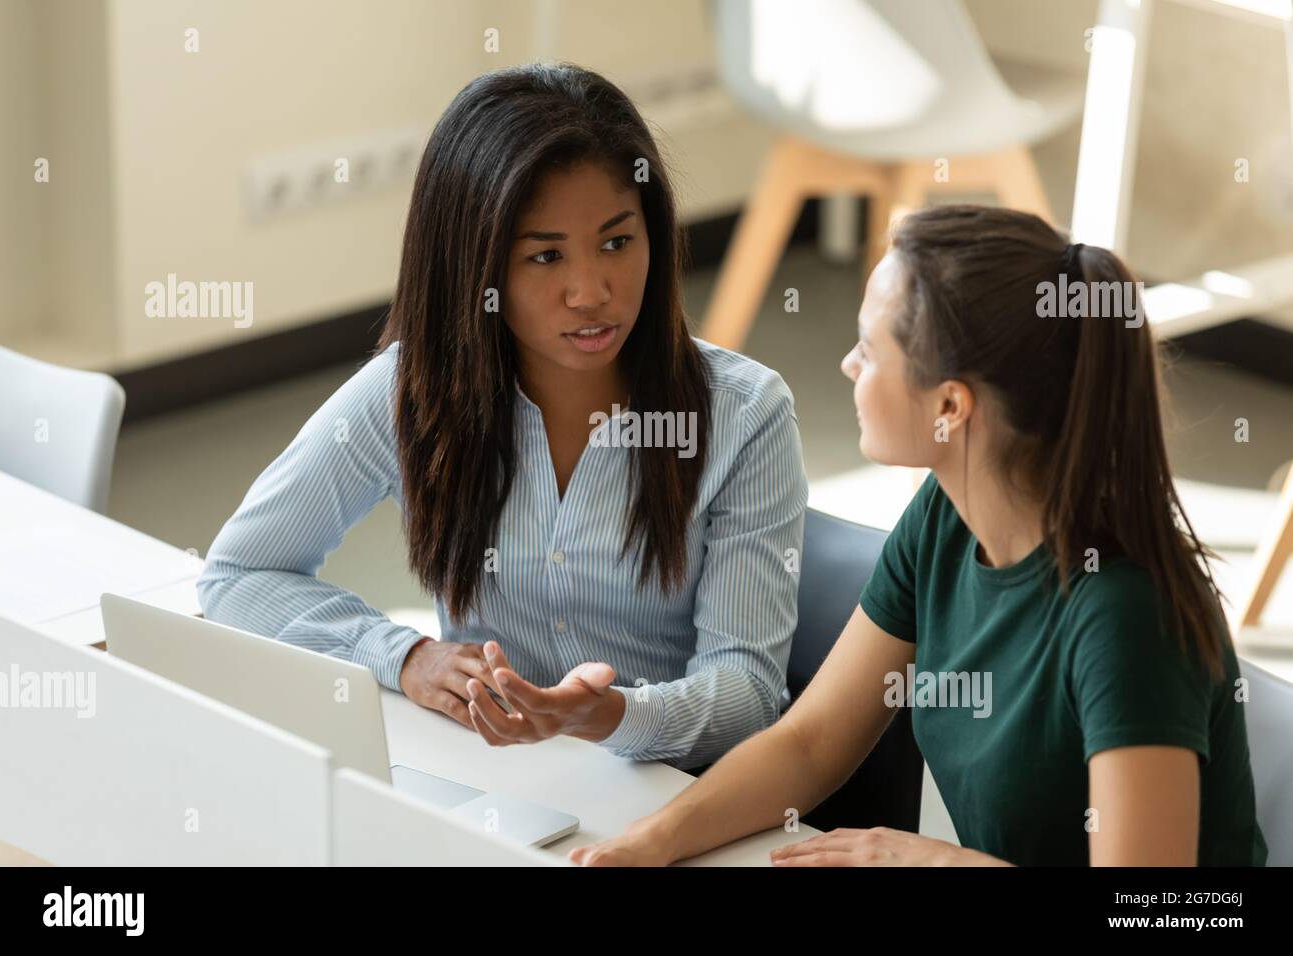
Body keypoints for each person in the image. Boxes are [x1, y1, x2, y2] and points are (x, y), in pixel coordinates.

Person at [571, 204, 1267, 865]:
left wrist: (940, 864)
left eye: (870, 350)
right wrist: (652, 841)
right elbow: (811, 745)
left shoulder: (1124, 616)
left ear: (949, 406)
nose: (847, 364)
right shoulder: (946, 517)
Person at [195, 62, 809, 771]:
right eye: (545, 256)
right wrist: (405, 656)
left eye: (617, 241)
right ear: (474, 268)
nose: (591, 292)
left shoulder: (745, 416)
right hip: (493, 784)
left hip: (667, 799)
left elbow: (751, 693)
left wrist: (608, 716)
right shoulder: (411, 391)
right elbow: (238, 575)